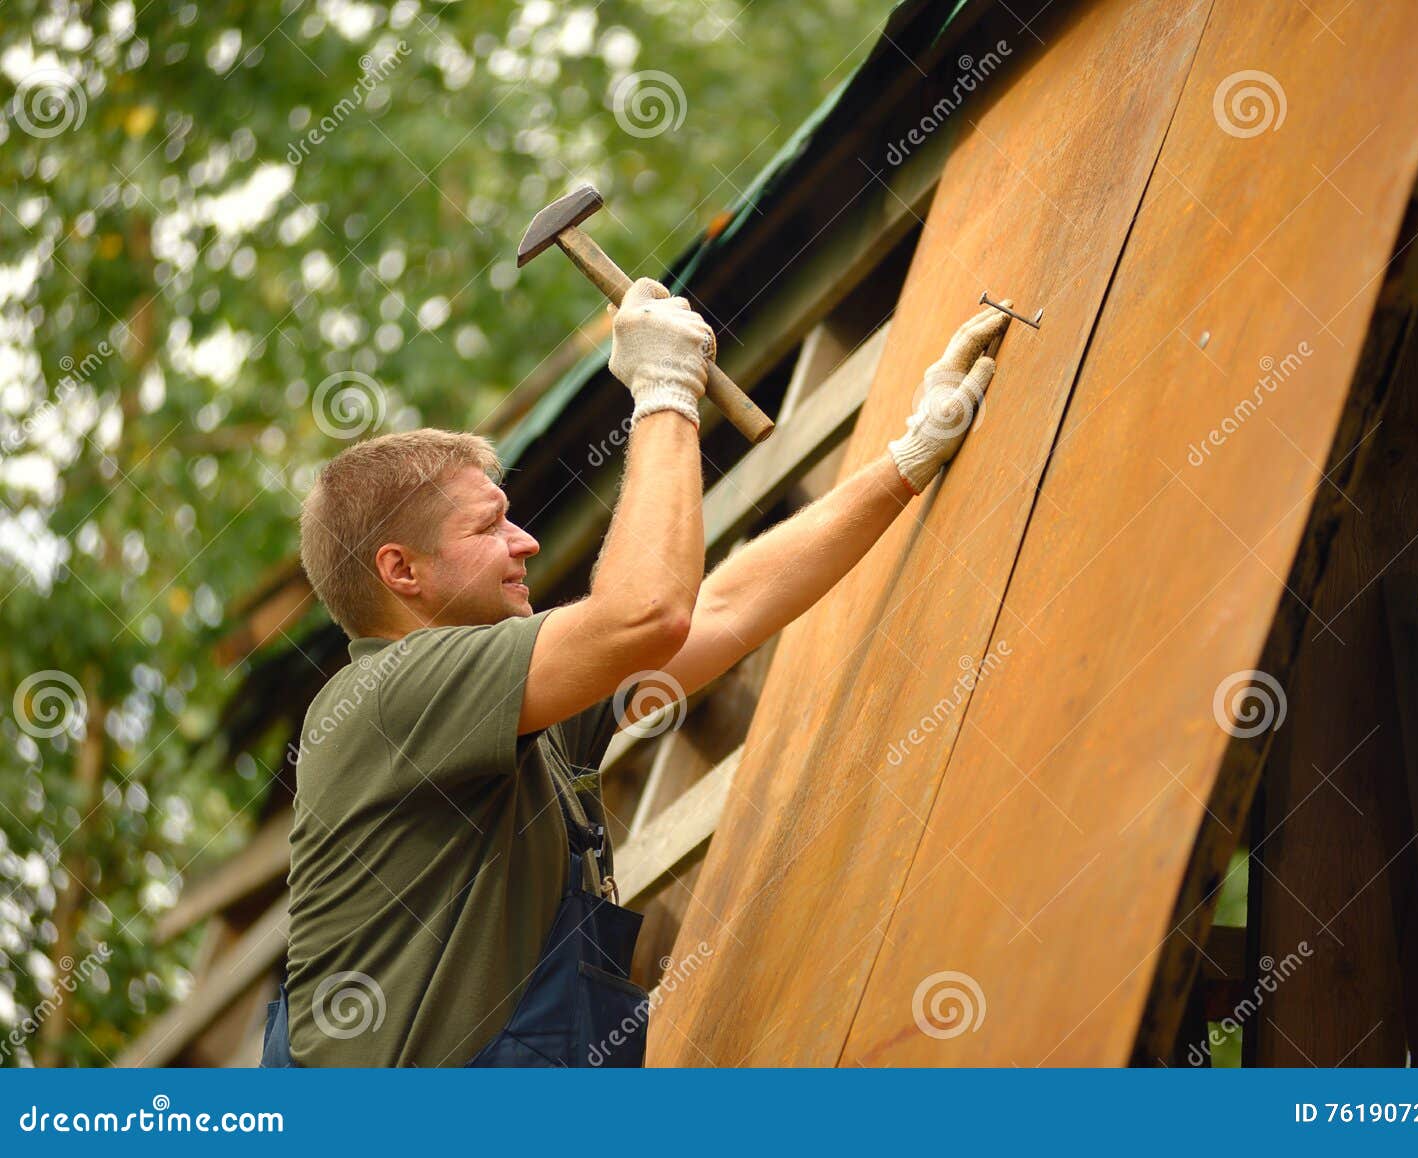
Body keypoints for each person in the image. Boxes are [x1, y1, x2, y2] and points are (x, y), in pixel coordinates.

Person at [260, 278, 1008, 1066]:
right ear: (401, 571)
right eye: (489, 527)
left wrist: (909, 458)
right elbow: (647, 612)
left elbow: (720, 610)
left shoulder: (522, 709)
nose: (527, 543)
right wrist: (663, 392)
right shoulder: (386, 698)